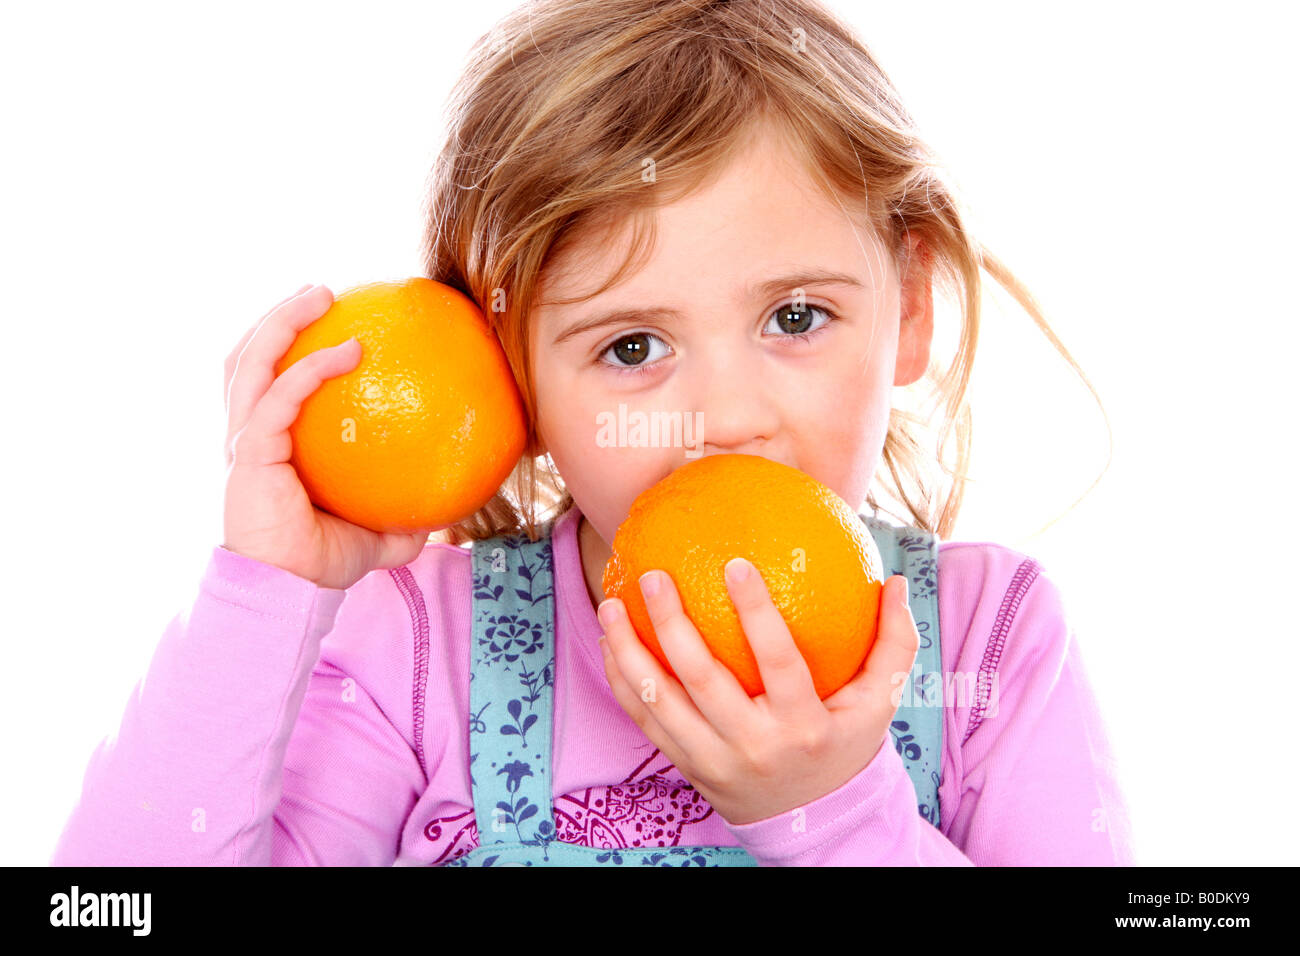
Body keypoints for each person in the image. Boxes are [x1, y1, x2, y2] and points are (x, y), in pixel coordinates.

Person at [50, 0, 1133, 866]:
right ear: (512, 382)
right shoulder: (417, 649)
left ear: (910, 311)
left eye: (796, 317)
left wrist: (833, 812)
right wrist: (263, 590)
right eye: (629, 347)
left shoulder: (994, 646)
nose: (724, 418)